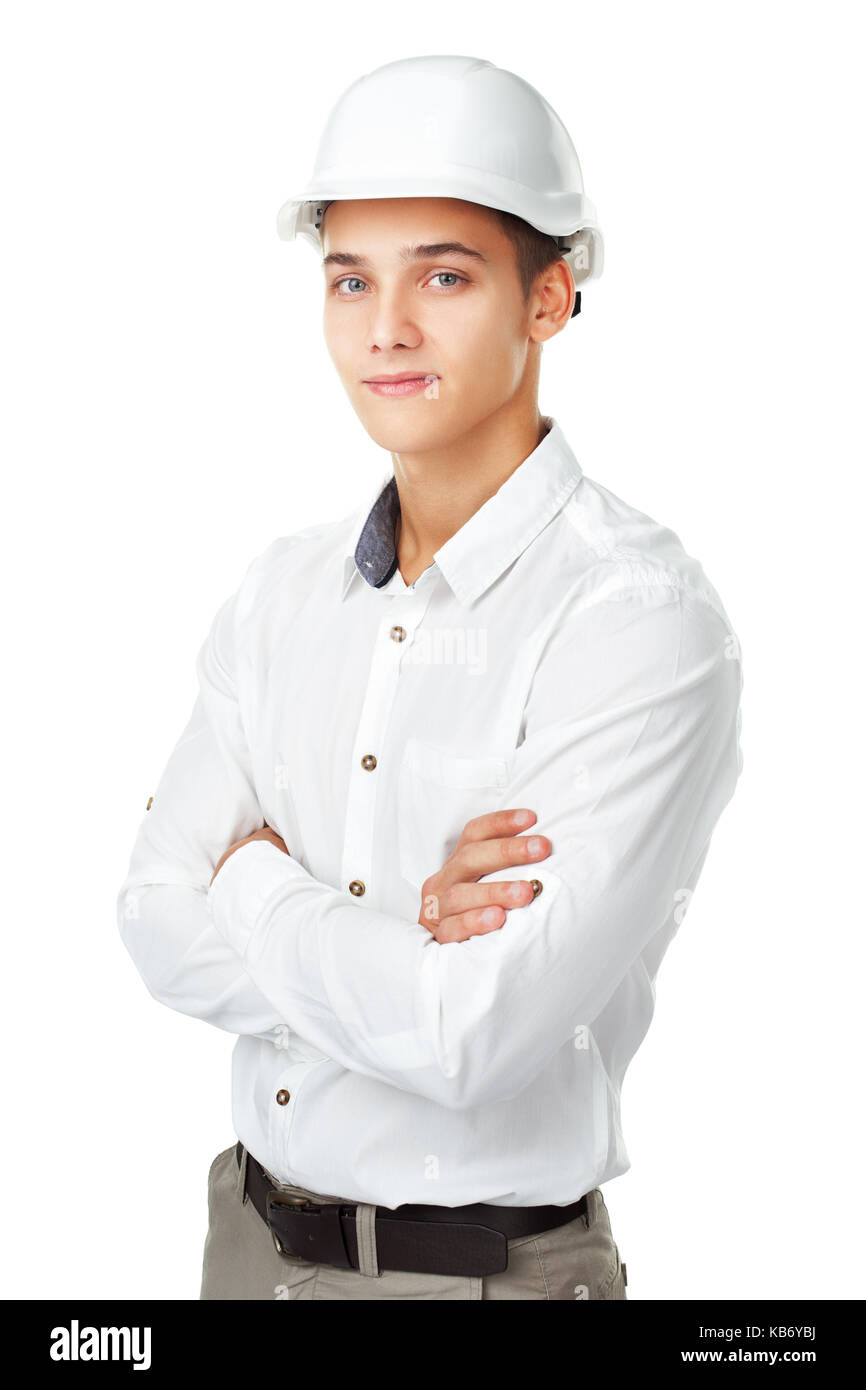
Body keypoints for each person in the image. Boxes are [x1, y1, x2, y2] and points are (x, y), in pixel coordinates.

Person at [117, 54, 744, 1301]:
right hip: (245, 1251)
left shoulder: (635, 620)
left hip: (473, 1283)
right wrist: (401, 929)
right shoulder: (281, 595)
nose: (384, 329)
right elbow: (152, 922)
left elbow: (473, 1037)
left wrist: (252, 873)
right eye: (350, 279)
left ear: (547, 298)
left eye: (443, 276)